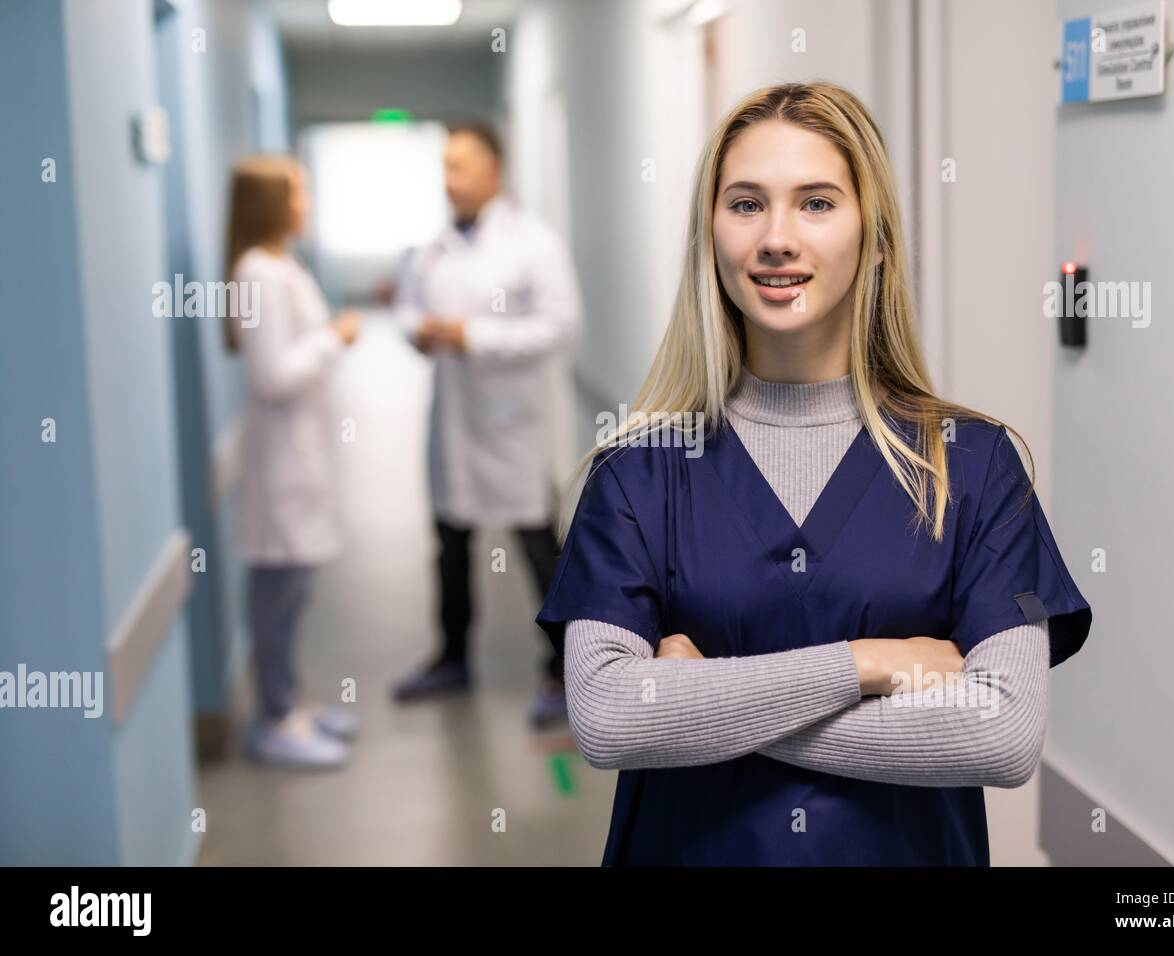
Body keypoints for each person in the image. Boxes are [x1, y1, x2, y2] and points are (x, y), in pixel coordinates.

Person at [535, 81, 1093, 865]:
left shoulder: (972, 466)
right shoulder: (637, 476)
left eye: (818, 203)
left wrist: (708, 706)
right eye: (746, 204)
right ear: (711, 236)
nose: (777, 238)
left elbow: (999, 733)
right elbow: (609, 719)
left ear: (877, 241)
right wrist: (871, 665)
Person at [389, 120, 582, 729]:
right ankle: (453, 657)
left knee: (537, 548)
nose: (450, 179)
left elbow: (560, 326)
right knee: (449, 544)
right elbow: (406, 306)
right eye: (444, 167)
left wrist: (471, 336)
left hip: (512, 425)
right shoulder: (433, 247)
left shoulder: (534, 243)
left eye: (461, 166)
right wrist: (418, 332)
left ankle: (564, 668)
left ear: (494, 169)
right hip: (453, 424)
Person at [223, 155, 364, 769]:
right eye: (297, 191)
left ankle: (288, 704)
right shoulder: (257, 272)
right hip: (282, 463)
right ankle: (274, 719)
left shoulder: (279, 265)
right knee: (276, 593)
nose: (305, 201)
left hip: (298, 458)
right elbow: (272, 375)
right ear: (269, 202)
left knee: (292, 590)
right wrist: (336, 338)